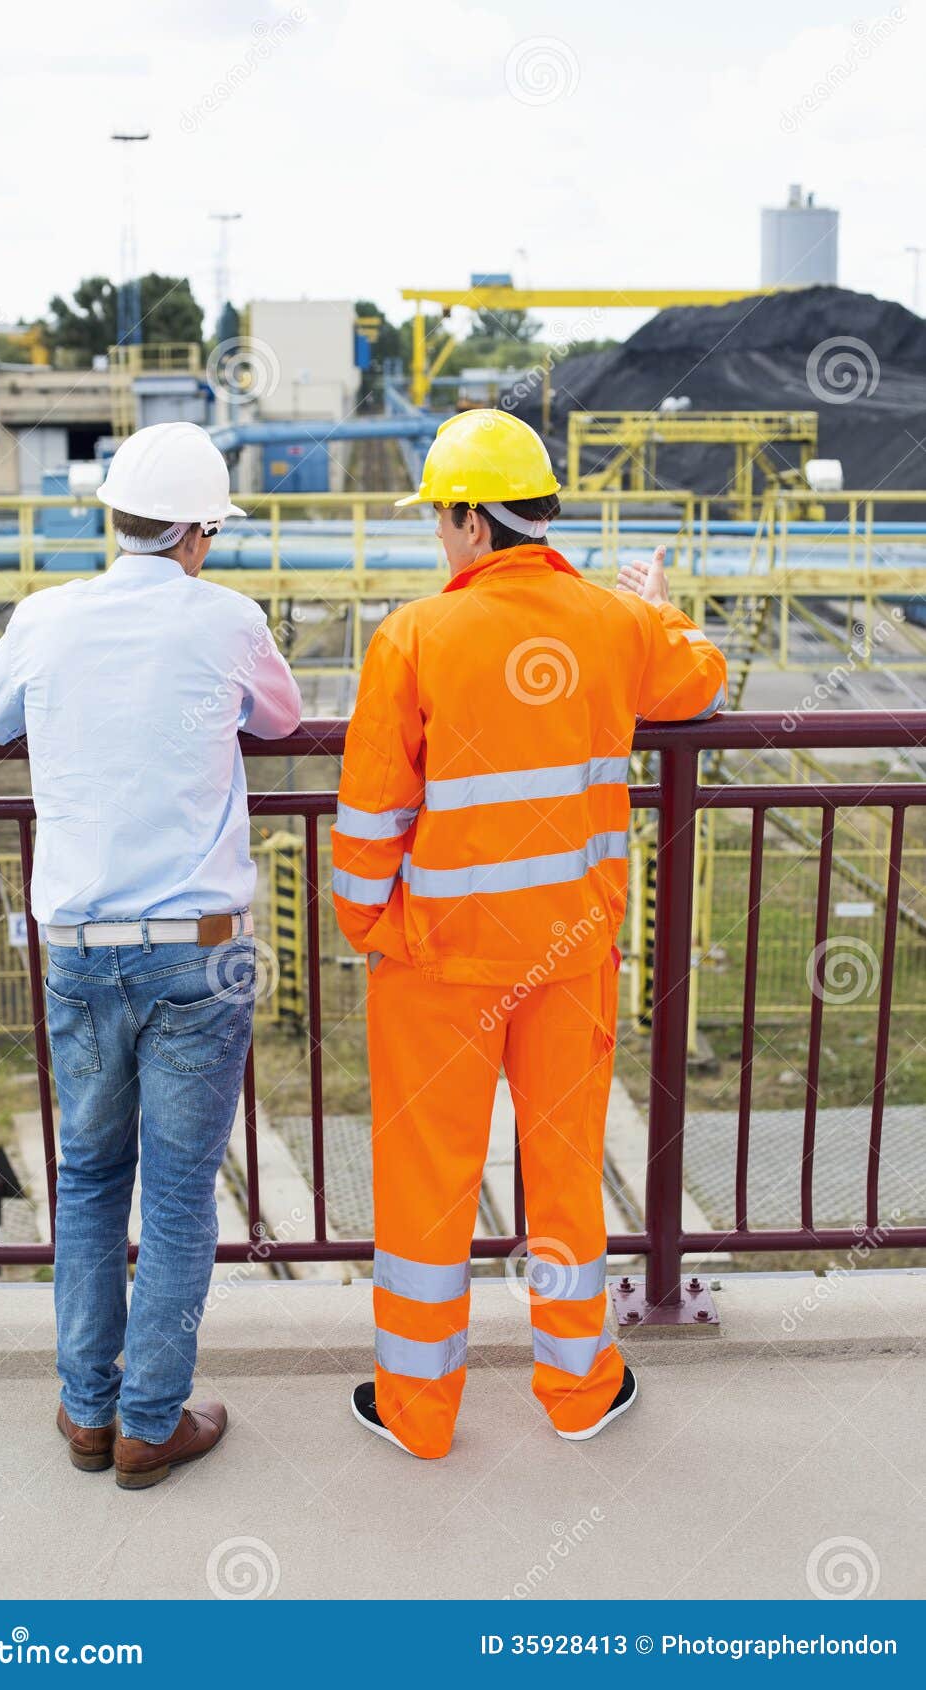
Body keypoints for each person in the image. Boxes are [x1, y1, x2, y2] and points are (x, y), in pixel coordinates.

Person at [331, 409, 726, 1459]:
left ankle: (419, 1412)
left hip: (437, 961)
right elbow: (700, 677)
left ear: (471, 520)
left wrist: (370, 926)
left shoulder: (414, 636)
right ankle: (579, 1390)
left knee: (426, 1181)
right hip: (567, 955)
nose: (437, 537)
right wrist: (660, 605)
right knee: (562, 1167)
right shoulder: (615, 623)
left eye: (439, 519)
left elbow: (370, 814)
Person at [0, 421, 301, 1488]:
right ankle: (152, 1422)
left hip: (81, 949)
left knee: (92, 1176)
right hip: (199, 953)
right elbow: (281, 722)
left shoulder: (47, 615)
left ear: (114, 521)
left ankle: (86, 1408)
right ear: (198, 534)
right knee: (182, 1194)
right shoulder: (228, 618)